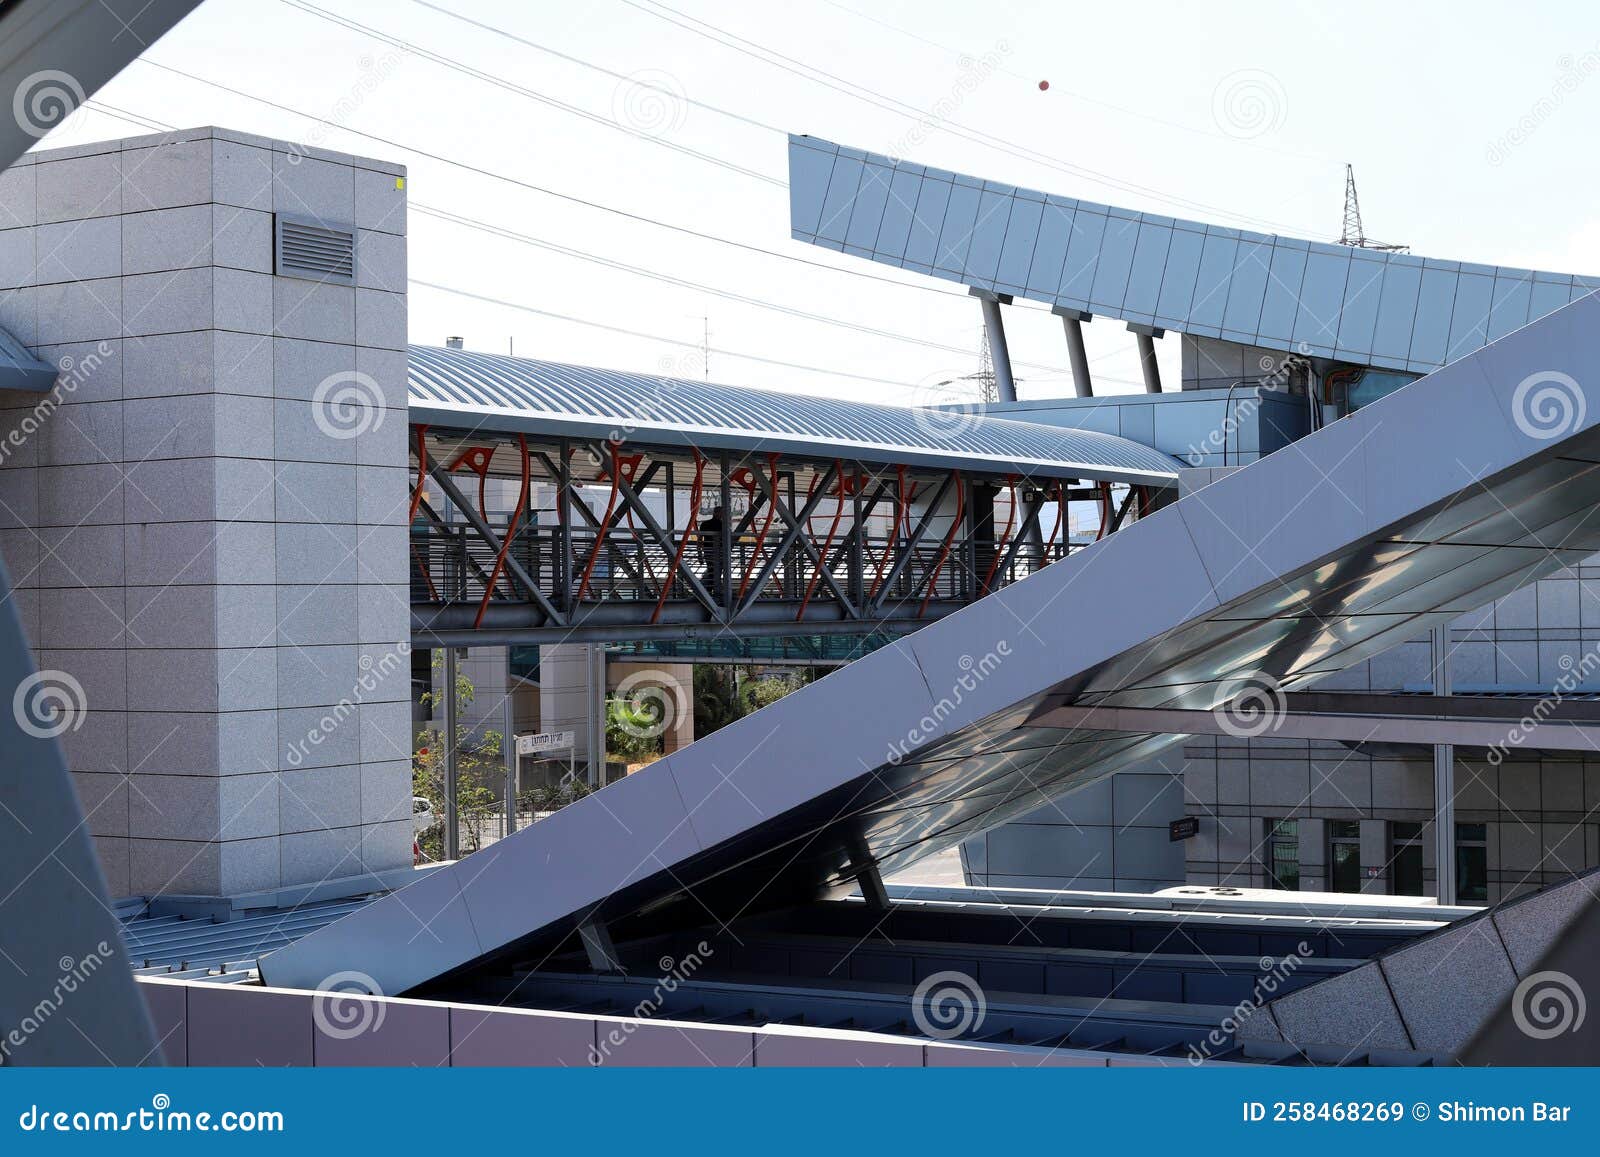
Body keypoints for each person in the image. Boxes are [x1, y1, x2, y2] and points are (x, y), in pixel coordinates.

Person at [698, 504, 725, 594]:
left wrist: (699, 554)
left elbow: (700, 539)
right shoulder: (723, 525)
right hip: (719, 552)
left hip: (708, 551)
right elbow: (726, 540)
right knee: (717, 571)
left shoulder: (705, 524)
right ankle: (714, 591)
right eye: (722, 513)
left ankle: (709, 591)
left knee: (711, 570)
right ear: (718, 513)